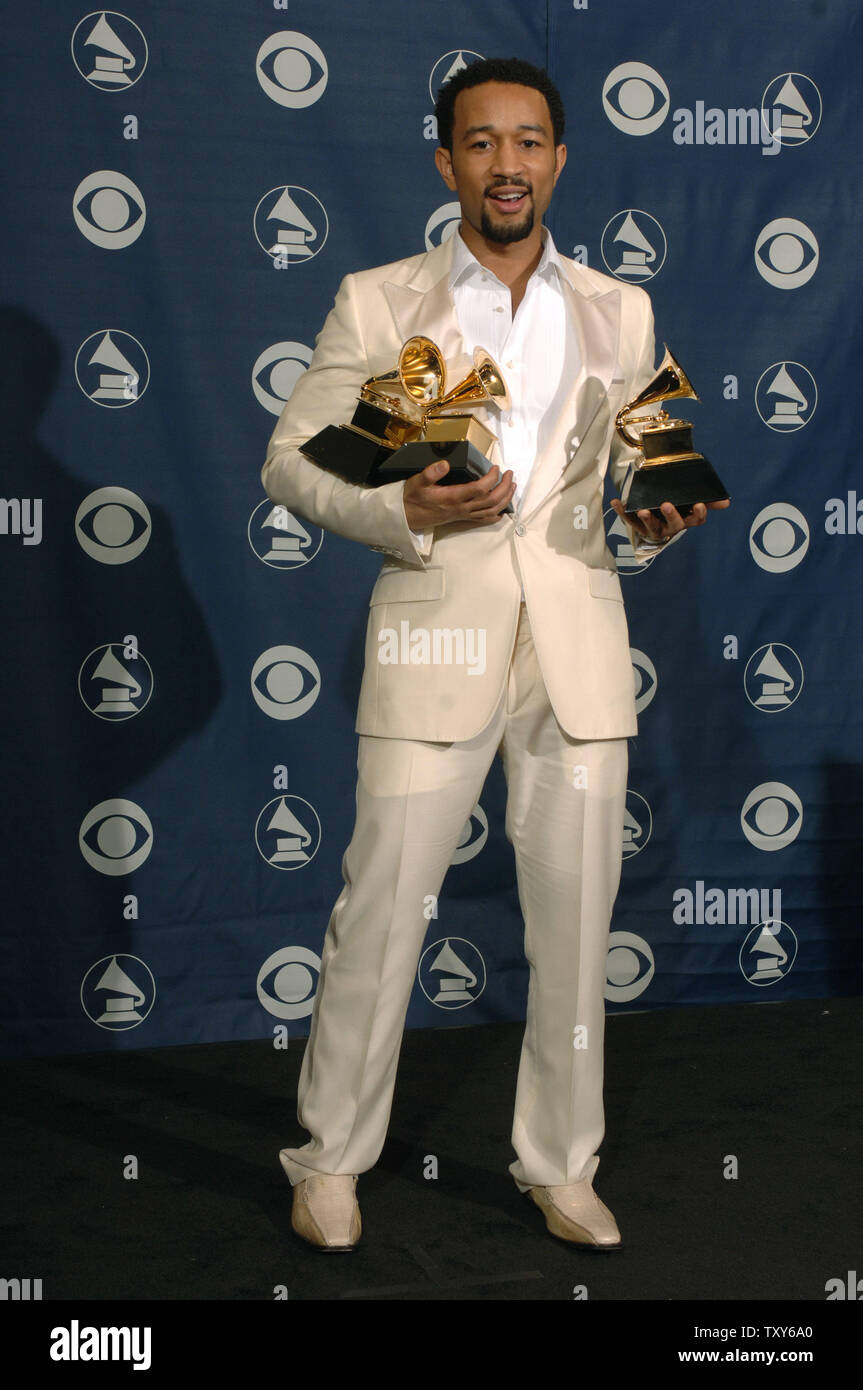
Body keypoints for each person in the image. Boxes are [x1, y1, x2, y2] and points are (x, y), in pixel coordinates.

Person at [261, 57, 728, 1253]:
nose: (505, 163)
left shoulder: (617, 309)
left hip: (572, 644)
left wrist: (649, 515)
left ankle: (559, 1165)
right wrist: (407, 507)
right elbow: (293, 461)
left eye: (527, 143)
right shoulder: (381, 301)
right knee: (379, 913)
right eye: (480, 143)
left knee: (575, 926)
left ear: (557, 161)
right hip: (432, 632)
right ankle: (328, 1162)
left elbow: (631, 477)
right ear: (445, 161)